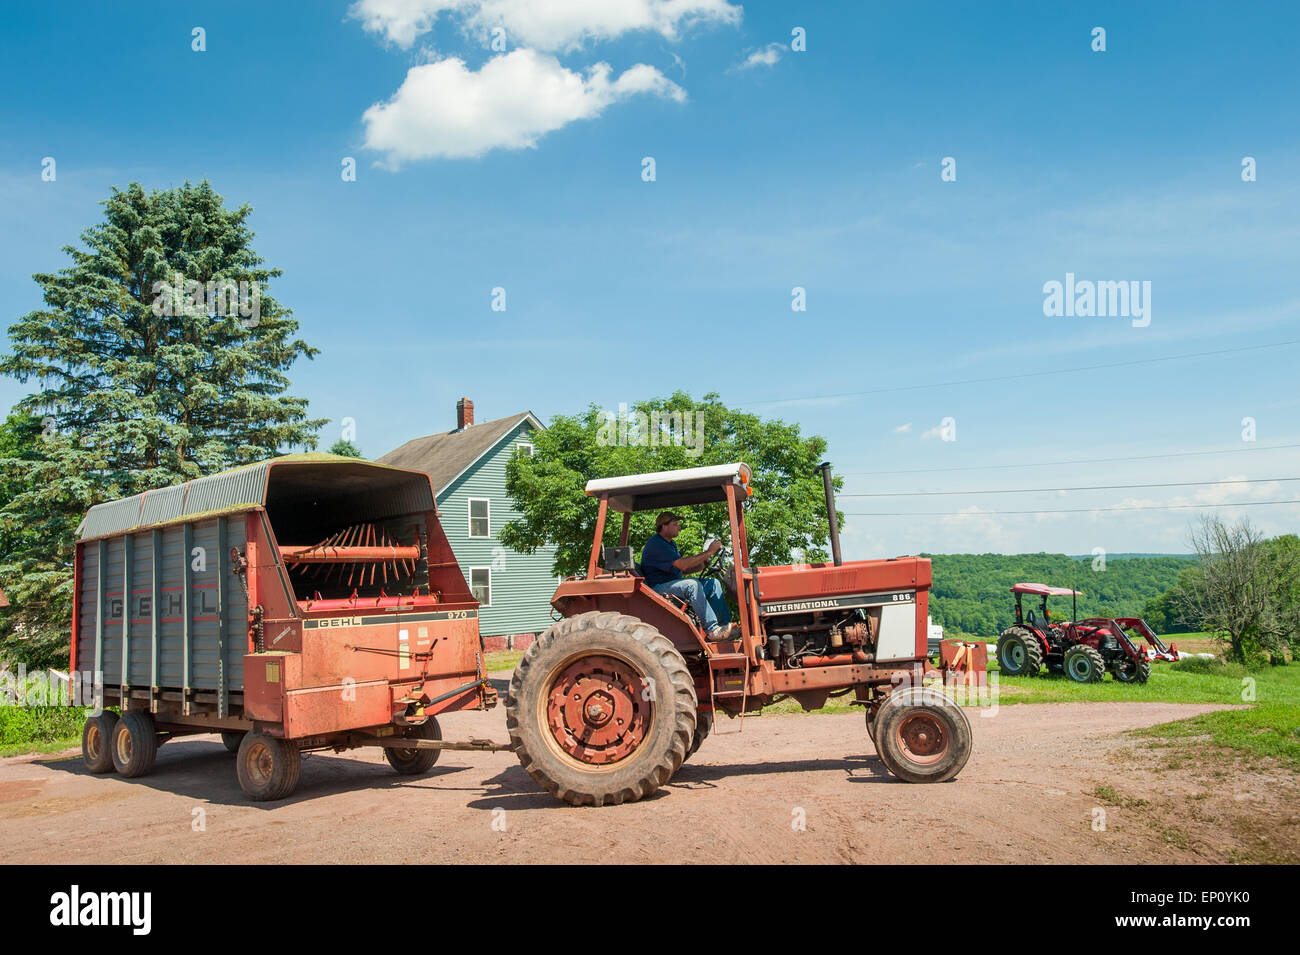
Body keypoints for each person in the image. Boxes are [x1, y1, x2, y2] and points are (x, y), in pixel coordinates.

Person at [640, 511, 737, 641]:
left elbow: (681, 571)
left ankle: (724, 627)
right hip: (657, 589)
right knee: (692, 585)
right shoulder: (656, 544)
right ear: (664, 526)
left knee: (713, 584)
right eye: (675, 524)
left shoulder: (670, 544)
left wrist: (702, 564)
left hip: (672, 585)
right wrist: (708, 552)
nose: (679, 527)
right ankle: (712, 629)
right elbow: (682, 565)